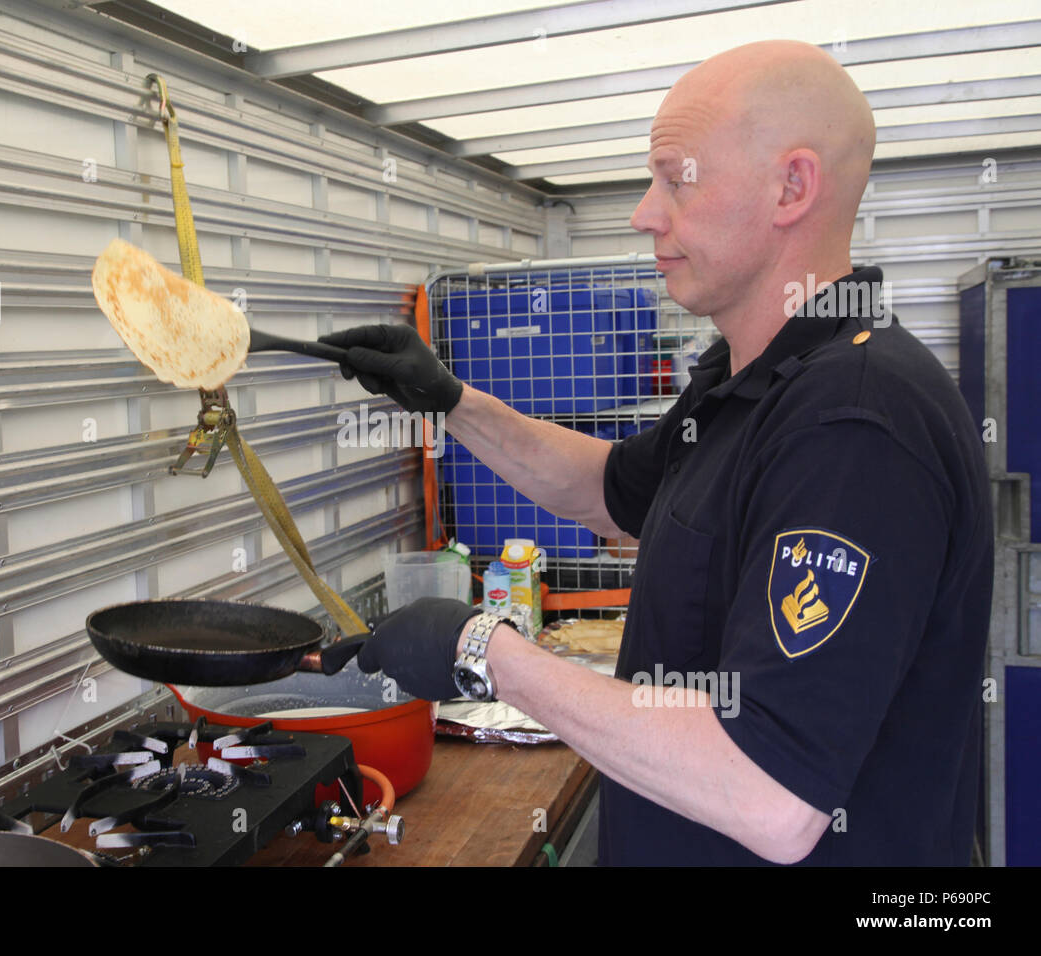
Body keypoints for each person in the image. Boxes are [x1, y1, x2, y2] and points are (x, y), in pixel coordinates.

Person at [319, 39, 993, 866]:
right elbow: (608, 488)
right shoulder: (746, 376)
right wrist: (453, 402)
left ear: (792, 187)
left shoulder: (855, 422)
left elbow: (771, 795)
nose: (645, 211)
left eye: (678, 179)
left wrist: (483, 651)